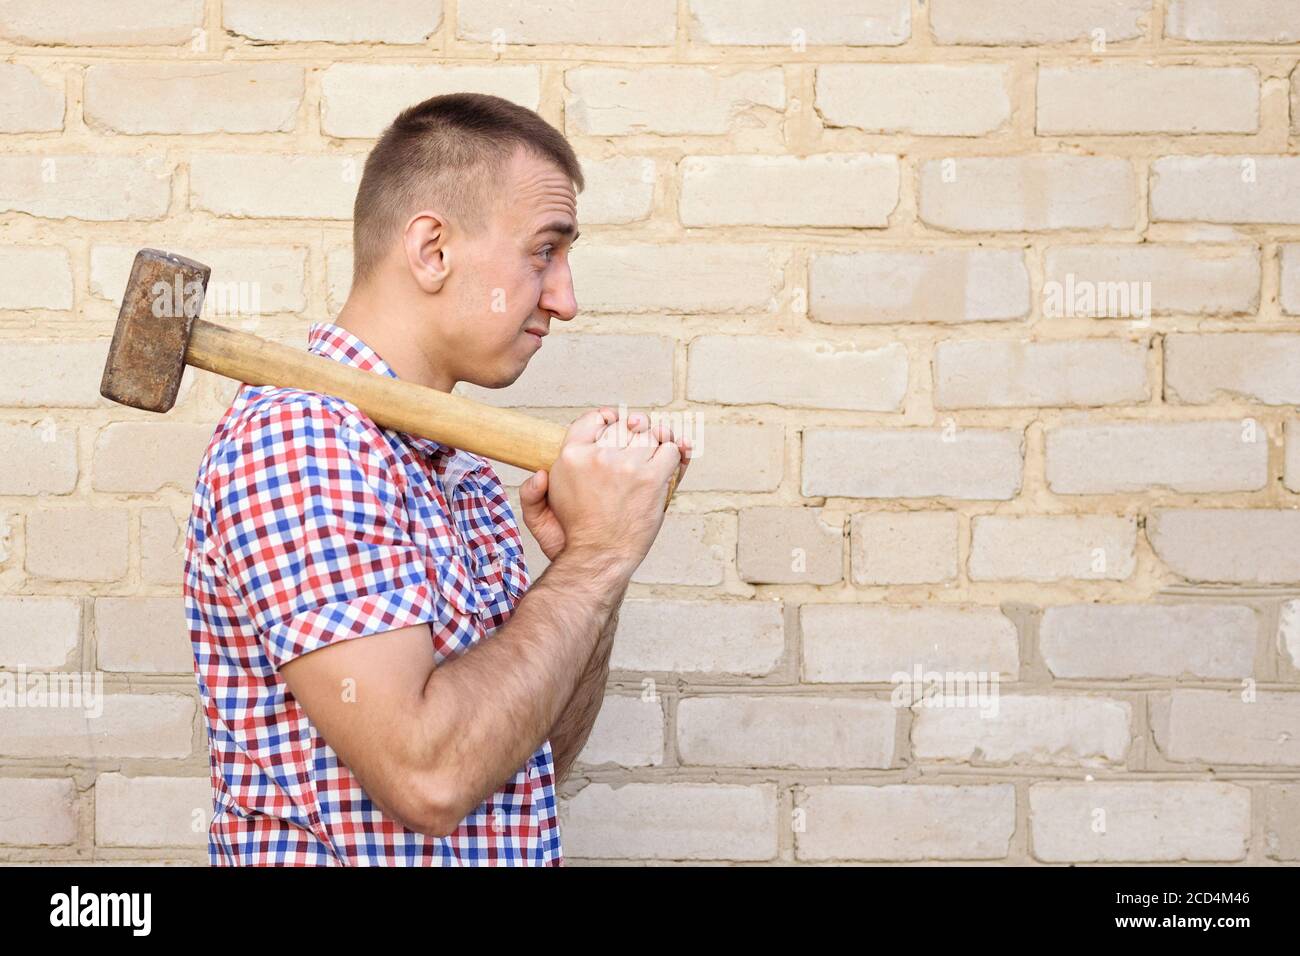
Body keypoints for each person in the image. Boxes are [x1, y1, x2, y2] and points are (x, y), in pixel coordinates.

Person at [183, 92, 689, 866]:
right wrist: (596, 564)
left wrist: (591, 558)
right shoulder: (303, 442)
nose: (566, 299)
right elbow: (431, 776)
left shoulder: (461, 474)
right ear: (432, 250)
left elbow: (531, 751)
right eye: (543, 251)